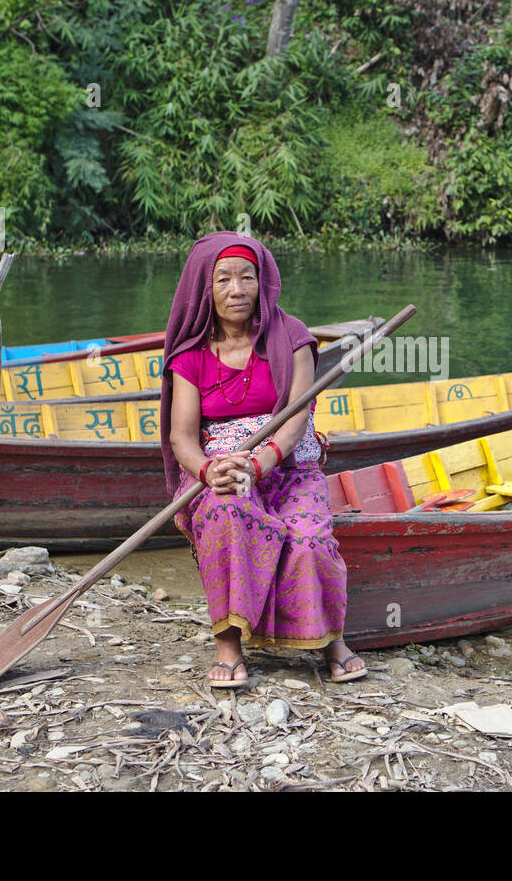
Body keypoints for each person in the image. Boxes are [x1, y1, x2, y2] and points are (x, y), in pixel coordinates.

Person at [159, 231, 367, 688]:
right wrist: (210, 470)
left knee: (309, 538)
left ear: (262, 281)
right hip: (222, 475)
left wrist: (260, 463)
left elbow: (296, 420)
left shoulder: (291, 336)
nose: (237, 290)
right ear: (204, 288)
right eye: (224, 280)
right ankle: (229, 644)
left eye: (247, 277)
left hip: (288, 469)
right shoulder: (190, 356)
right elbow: (182, 437)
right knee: (226, 515)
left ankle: (329, 638)